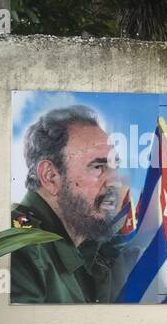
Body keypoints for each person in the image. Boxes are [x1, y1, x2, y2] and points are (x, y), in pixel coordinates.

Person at [11, 105, 125, 303]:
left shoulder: (95, 246)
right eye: (98, 166)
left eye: (115, 166)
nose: (115, 180)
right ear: (50, 176)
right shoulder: (20, 248)